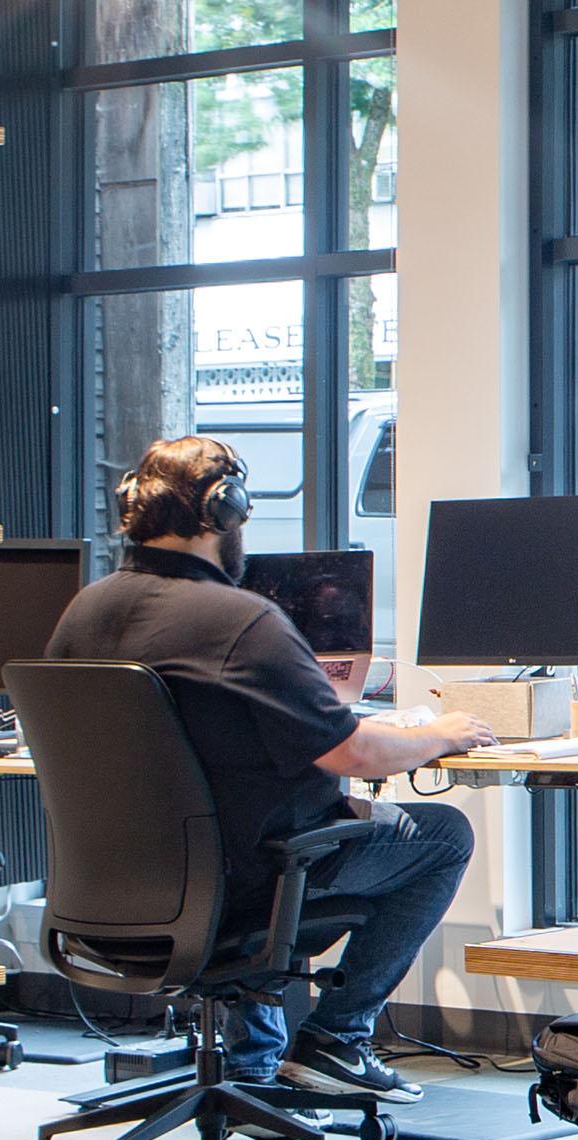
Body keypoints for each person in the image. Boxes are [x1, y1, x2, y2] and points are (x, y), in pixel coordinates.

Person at [45, 437, 494, 1103]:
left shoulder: (85, 611)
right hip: (244, 888)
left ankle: (255, 1063)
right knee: (441, 836)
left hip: (112, 896)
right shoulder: (241, 621)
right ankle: (337, 1040)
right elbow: (354, 754)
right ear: (226, 513)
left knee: (261, 818)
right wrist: (439, 734)